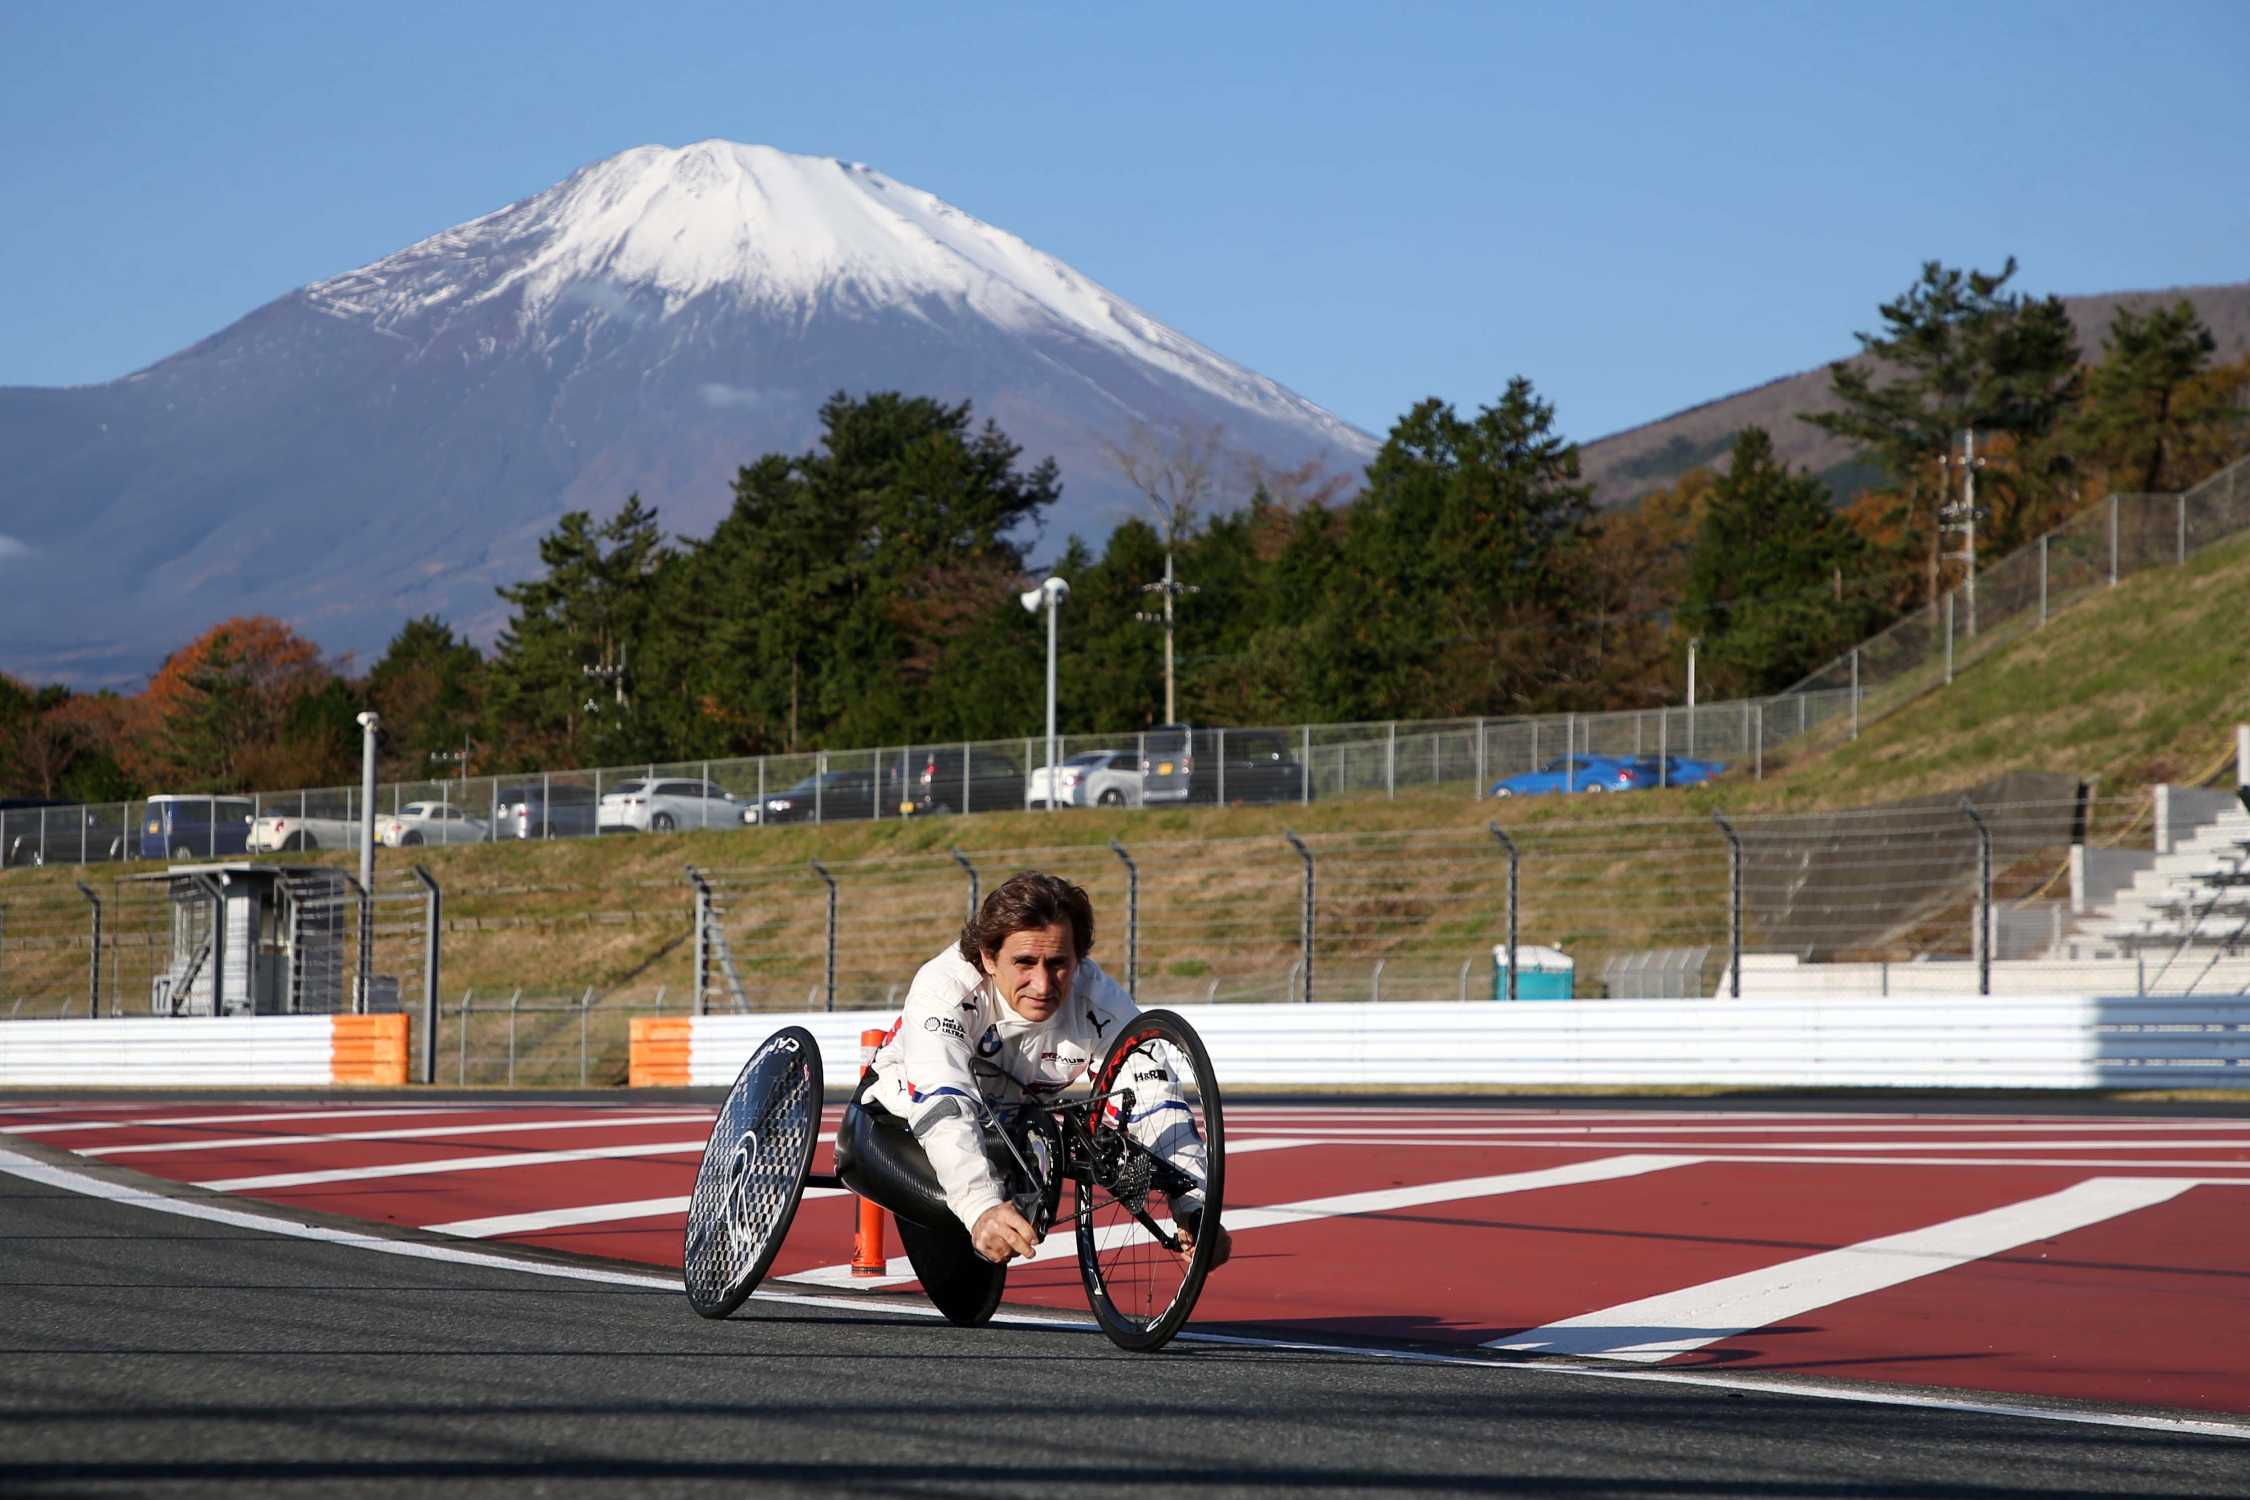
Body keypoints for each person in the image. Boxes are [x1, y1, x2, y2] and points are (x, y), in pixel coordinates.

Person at [832, 869, 1228, 1325]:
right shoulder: (944, 988)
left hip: (1006, 1125)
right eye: (1024, 963)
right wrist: (979, 1206)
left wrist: (1195, 1202)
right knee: (962, 1243)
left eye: (1059, 963)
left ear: (1078, 959)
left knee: (972, 1303)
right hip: (895, 1123)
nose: (1043, 986)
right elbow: (944, 1105)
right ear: (988, 957)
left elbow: (1153, 1092)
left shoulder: (1096, 996)